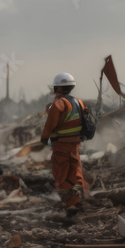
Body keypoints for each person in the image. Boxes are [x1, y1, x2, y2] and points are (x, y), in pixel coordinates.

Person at [39, 72, 88, 208]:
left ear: (57, 88)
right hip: (75, 144)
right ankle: (80, 198)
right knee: (75, 171)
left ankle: (70, 203)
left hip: (61, 145)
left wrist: (44, 138)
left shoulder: (59, 104)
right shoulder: (79, 102)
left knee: (61, 174)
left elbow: (50, 124)